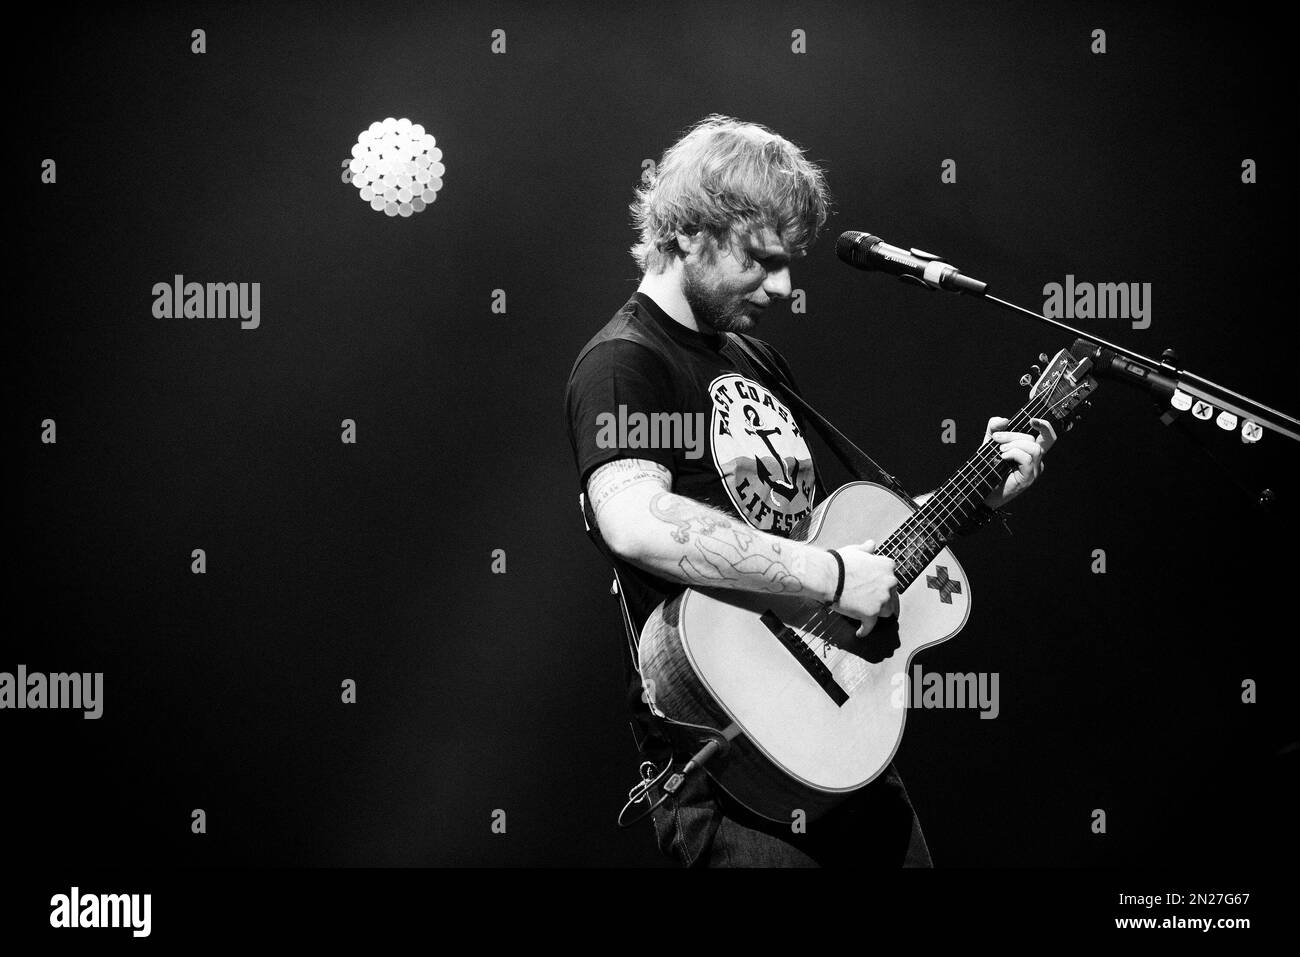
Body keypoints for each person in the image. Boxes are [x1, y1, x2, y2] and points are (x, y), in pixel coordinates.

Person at [564, 114, 1054, 866]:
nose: (785, 285)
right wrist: (828, 576)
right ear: (691, 233)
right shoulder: (625, 363)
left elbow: (845, 548)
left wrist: (976, 492)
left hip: (839, 748)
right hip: (735, 774)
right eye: (762, 261)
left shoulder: (754, 359)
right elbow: (632, 519)